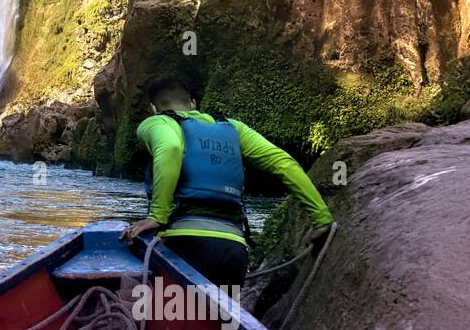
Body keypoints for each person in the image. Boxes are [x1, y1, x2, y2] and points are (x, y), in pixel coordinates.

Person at [119, 76, 334, 287]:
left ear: (153, 108)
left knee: (173, 319)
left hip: (182, 244)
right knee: (222, 322)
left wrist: (157, 215)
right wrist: (321, 218)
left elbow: (170, 148)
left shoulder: (157, 122)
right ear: (194, 104)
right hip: (233, 249)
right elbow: (283, 163)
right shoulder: (233, 127)